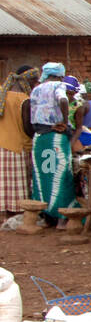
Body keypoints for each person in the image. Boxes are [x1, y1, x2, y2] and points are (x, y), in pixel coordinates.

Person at [28, 62, 77, 226]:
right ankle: (62, 220)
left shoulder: (36, 89)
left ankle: (46, 217)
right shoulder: (59, 86)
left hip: (39, 138)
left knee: (42, 177)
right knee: (62, 176)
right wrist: (64, 121)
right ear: (61, 74)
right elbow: (63, 99)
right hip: (56, 135)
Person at [0, 66, 37, 216]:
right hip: (18, 146)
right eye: (34, 81)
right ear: (27, 81)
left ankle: (2, 211)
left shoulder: (2, 95)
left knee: (3, 184)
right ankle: (17, 211)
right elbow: (28, 128)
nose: (35, 85)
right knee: (18, 184)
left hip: (2, 144)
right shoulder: (24, 100)